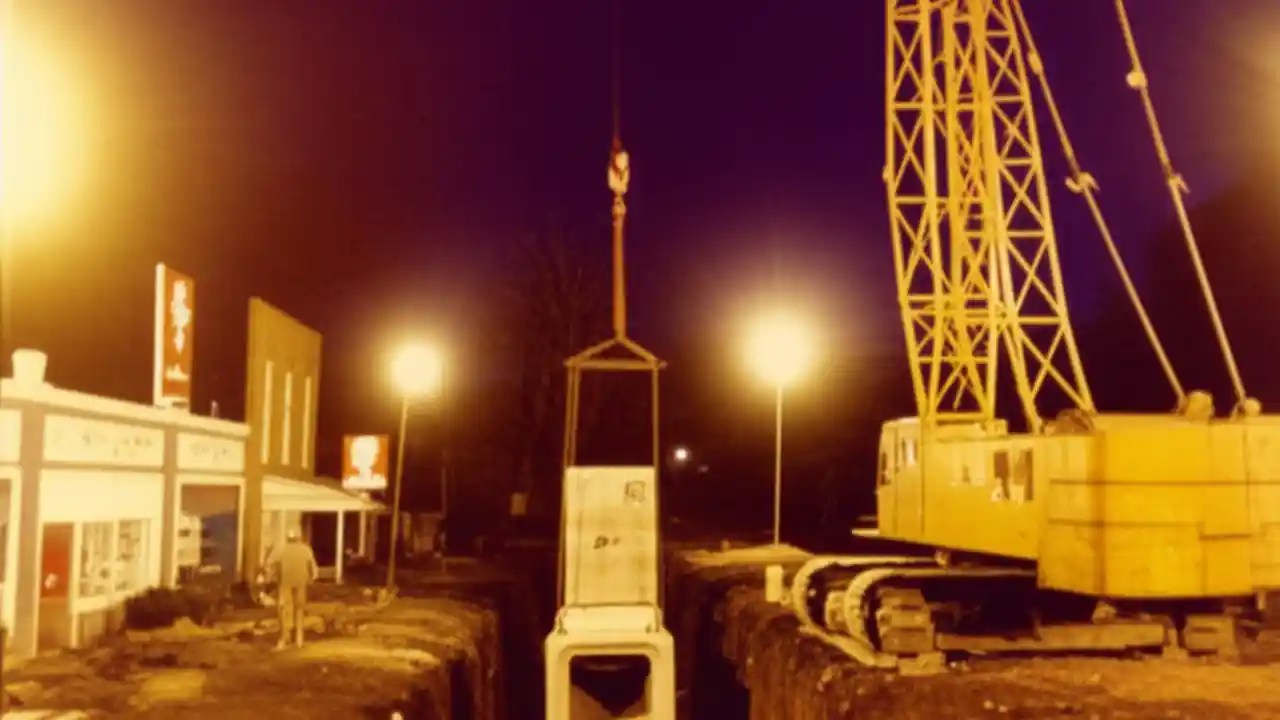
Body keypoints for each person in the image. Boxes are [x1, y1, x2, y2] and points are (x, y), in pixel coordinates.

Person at [264, 528, 318, 650]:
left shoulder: (281, 549)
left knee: (283, 610)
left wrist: (271, 576)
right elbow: (313, 570)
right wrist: (311, 579)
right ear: (298, 537)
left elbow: (268, 564)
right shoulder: (305, 550)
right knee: (299, 610)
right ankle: (299, 639)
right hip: (300, 583)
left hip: (285, 583)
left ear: (287, 538)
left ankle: (283, 639)